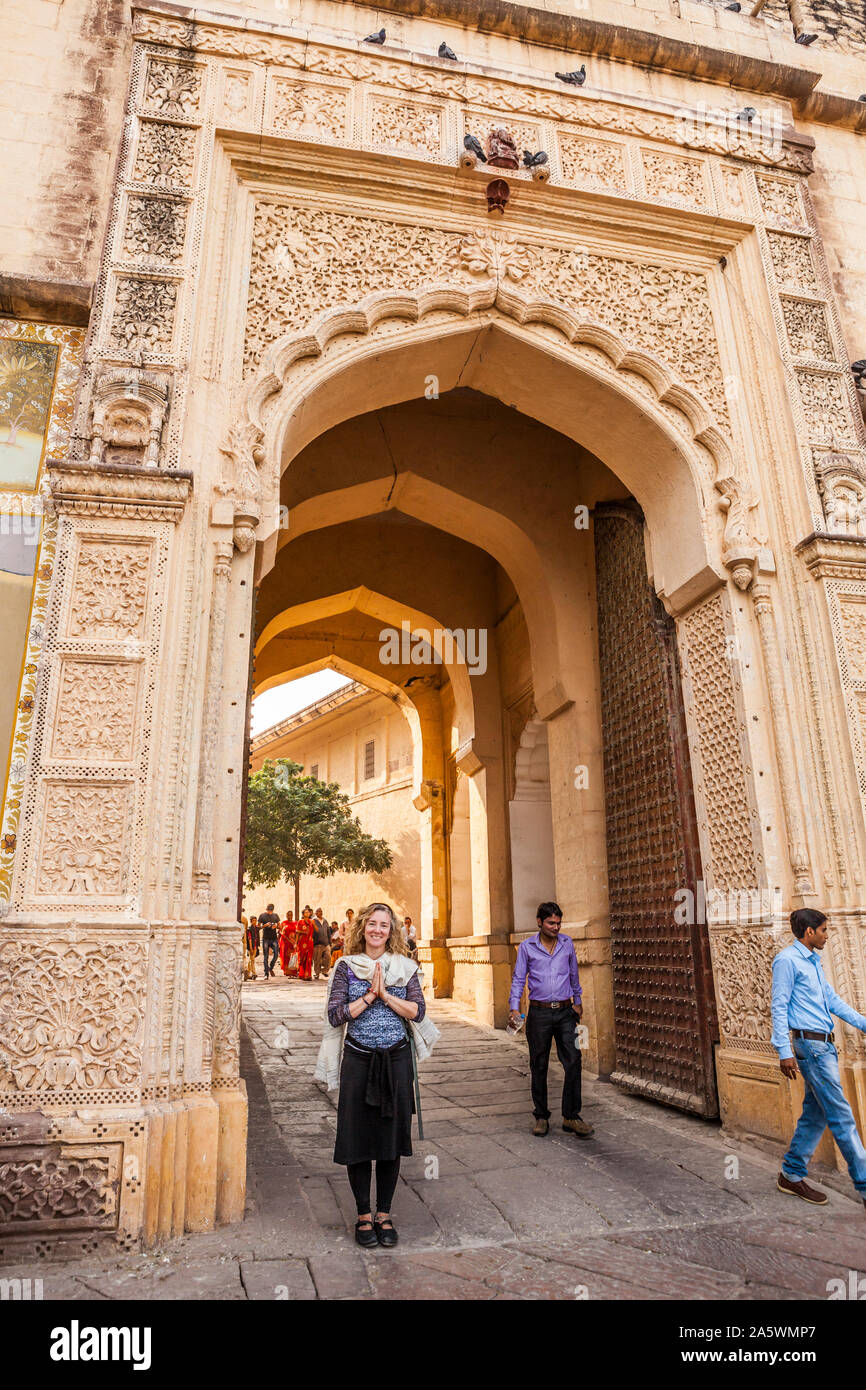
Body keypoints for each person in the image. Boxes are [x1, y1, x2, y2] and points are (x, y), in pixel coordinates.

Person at [314, 903, 439, 1249]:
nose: (378, 930)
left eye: (384, 925)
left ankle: (384, 1213)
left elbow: (418, 1010)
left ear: (392, 931)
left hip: (395, 1063)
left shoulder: (405, 968)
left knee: (390, 1138)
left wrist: (386, 993)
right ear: (362, 928)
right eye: (372, 924)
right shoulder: (345, 967)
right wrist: (371, 995)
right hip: (358, 1061)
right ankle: (363, 1215)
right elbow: (337, 1014)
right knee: (357, 1139)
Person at [771, 907, 866, 1209]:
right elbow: (779, 1006)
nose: (827, 935)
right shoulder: (787, 960)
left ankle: (791, 1173)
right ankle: (864, 1186)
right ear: (809, 932)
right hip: (810, 1049)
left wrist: (863, 1022)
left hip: (823, 1047)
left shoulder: (813, 962)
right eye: (824, 930)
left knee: (817, 1114)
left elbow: (832, 1000)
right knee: (842, 1117)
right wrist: (784, 1051)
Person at [508, 901, 593, 1139]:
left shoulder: (567, 943)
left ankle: (571, 1116)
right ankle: (541, 1116)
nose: (556, 927)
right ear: (540, 922)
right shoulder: (527, 947)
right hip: (540, 1013)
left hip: (566, 1012)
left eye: (558, 923)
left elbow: (574, 973)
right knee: (539, 1065)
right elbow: (518, 979)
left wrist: (578, 1001)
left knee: (574, 1060)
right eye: (551, 923)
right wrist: (514, 1008)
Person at [259, 904, 280, 979]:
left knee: (276, 955)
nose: (270, 912)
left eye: (271, 911)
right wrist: (265, 925)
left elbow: (279, 926)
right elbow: (258, 927)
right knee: (266, 956)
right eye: (268, 910)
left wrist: (276, 926)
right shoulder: (262, 916)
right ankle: (266, 973)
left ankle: (270, 967)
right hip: (266, 938)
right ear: (266, 909)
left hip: (274, 938)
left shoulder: (275, 916)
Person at [313, 908, 332, 980]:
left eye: (321, 911)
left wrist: (330, 943)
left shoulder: (325, 921)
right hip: (317, 944)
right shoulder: (314, 921)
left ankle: (324, 970)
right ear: (315, 913)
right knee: (317, 959)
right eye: (318, 912)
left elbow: (328, 932)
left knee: (328, 957)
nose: (320, 913)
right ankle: (317, 973)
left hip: (325, 944)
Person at [297, 905, 315, 981]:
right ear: (303, 914)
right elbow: (297, 932)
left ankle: (308, 975)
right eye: (306, 912)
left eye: (308, 912)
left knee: (309, 959)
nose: (307, 913)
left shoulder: (312, 921)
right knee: (302, 959)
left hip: (310, 942)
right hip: (302, 942)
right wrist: (296, 943)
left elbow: (315, 931)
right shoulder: (300, 922)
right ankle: (302, 974)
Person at [244, 915, 259, 981]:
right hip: (251, 946)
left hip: (255, 946)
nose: (255, 922)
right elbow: (249, 939)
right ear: (251, 921)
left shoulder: (256, 928)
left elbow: (261, 927)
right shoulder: (249, 929)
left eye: (255, 920)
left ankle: (248, 973)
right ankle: (254, 973)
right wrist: (250, 948)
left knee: (251, 960)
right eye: (253, 921)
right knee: (252, 959)